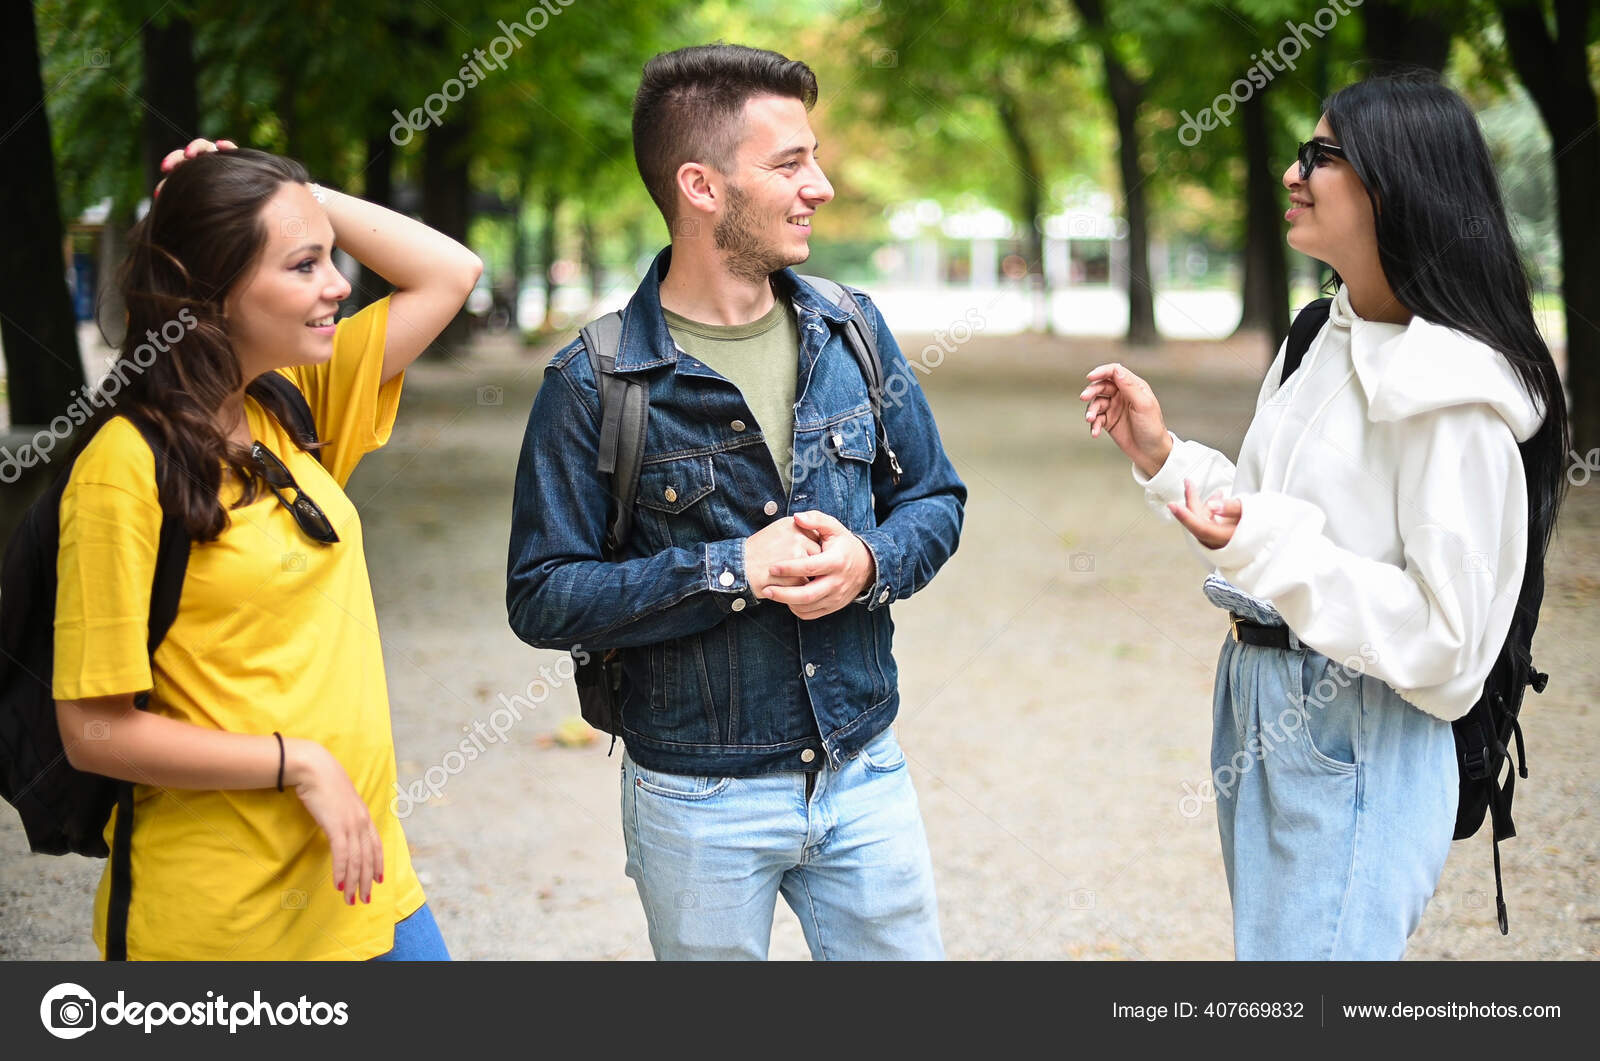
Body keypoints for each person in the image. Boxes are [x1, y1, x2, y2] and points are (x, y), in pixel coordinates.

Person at [1080, 74, 1569, 960]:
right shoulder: (1319, 334)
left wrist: (1265, 545)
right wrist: (1164, 455)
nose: (1293, 174)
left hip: (1356, 721)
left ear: (1397, 182)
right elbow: (1270, 517)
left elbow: (1448, 647)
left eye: (1322, 155)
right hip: (1260, 693)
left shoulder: (1454, 395)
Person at [506, 44, 966, 960]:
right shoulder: (593, 380)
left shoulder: (853, 329)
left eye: (814, 157)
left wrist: (870, 561)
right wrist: (729, 570)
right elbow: (544, 594)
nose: (821, 186)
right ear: (702, 187)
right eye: (789, 164)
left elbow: (936, 498)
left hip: (864, 769)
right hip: (695, 796)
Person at [53, 139, 481, 959]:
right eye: (302, 264)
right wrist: (301, 763)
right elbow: (93, 731)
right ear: (211, 293)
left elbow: (447, 270)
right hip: (224, 927)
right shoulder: (123, 469)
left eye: (328, 256)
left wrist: (283, 185)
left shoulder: (292, 407)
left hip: (366, 884)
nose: (338, 283)